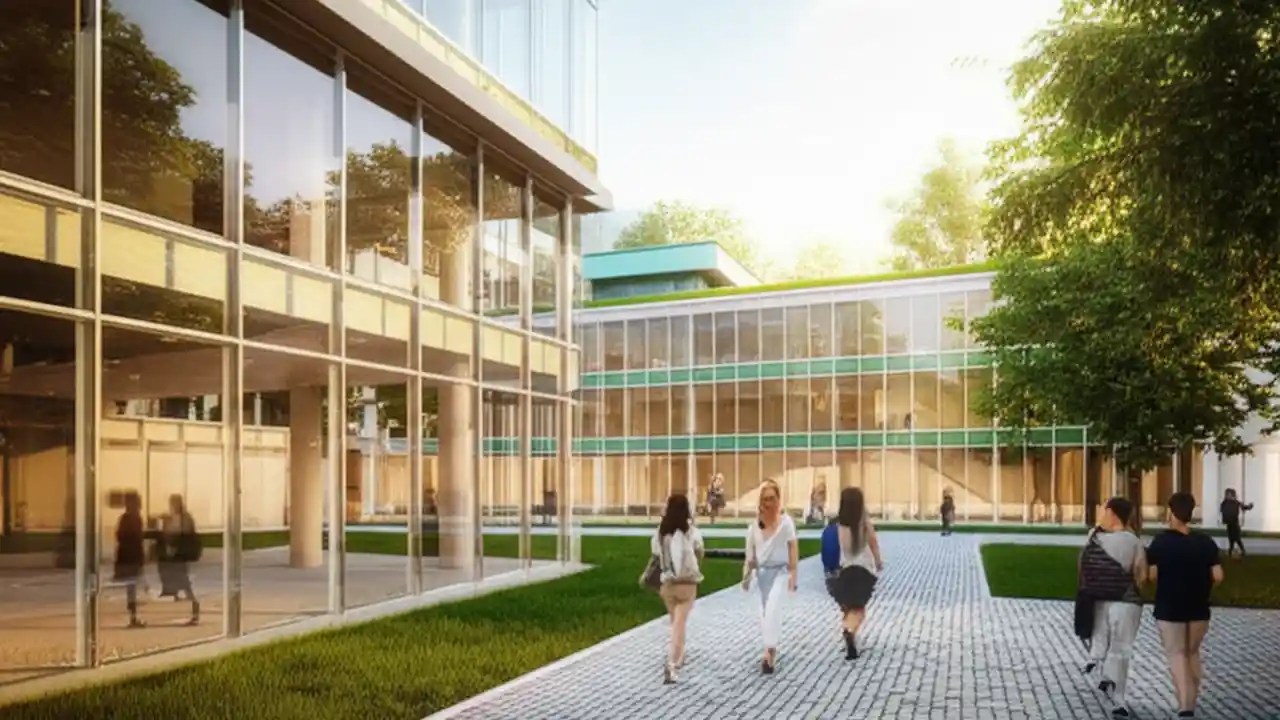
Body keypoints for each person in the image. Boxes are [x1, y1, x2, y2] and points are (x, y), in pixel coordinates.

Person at [1148, 492, 1224, 719]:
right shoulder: (1205, 542)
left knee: (1176, 654)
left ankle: (1185, 706)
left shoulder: (1161, 542)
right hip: (1199, 606)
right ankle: (1191, 698)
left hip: (1170, 605)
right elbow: (1218, 575)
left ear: (1171, 512)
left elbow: (1152, 575)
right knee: (1192, 652)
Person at [1079, 497, 1148, 719]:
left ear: (1111, 512)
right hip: (1127, 602)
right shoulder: (1134, 542)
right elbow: (1141, 575)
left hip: (1099, 599)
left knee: (1102, 637)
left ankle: (1097, 663)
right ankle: (1119, 699)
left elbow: (1083, 565)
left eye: (1103, 511)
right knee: (1121, 648)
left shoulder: (1094, 536)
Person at [742, 479, 798, 674]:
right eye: (765, 499)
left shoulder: (786, 523)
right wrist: (746, 578)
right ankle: (770, 651)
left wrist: (793, 574)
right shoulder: (754, 528)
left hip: (780, 572)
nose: (769, 503)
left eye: (772, 499)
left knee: (773, 606)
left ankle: (768, 653)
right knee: (766, 613)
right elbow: (750, 556)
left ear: (779, 499)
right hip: (762, 574)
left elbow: (792, 547)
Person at [652, 493, 705, 684]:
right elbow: (700, 549)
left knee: (676, 621)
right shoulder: (691, 531)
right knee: (679, 623)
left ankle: (680, 654)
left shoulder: (660, 532)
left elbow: (655, 553)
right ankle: (673, 661)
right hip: (687, 585)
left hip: (667, 585)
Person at [826, 487, 883, 661]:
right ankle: (849, 631)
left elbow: (834, 549)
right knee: (859, 610)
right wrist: (878, 561)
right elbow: (873, 542)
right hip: (864, 570)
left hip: (846, 569)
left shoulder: (838, 525)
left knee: (849, 606)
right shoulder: (864, 521)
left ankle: (849, 634)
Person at [158, 494, 200, 626]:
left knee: (184, 582)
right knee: (180, 580)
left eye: (173, 503)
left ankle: (194, 607)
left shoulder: (184, 518)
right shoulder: (175, 518)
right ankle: (191, 605)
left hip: (181, 555)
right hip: (176, 555)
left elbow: (183, 534)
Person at [113, 492, 147, 629]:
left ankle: (133, 615)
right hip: (133, 558)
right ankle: (133, 616)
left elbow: (119, 536)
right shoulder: (136, 518)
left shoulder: (124, 518)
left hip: (125, 557)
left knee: (131, 588)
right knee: (133, 588)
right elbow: (138, 539)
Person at [1219, 489, 1253, 558]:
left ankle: (1240, 551)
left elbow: (1244, 507)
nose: (1227, 496)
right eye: (1227, 494)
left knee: (1237, 538)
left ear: (1232, 495)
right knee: (1231, 538)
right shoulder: (1224, 503)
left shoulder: (1236, 502)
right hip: (1229, 524)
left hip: (1234, 523)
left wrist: (1249, 506)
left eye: (1229, 494)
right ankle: (1231, 551)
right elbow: (1222, 510)